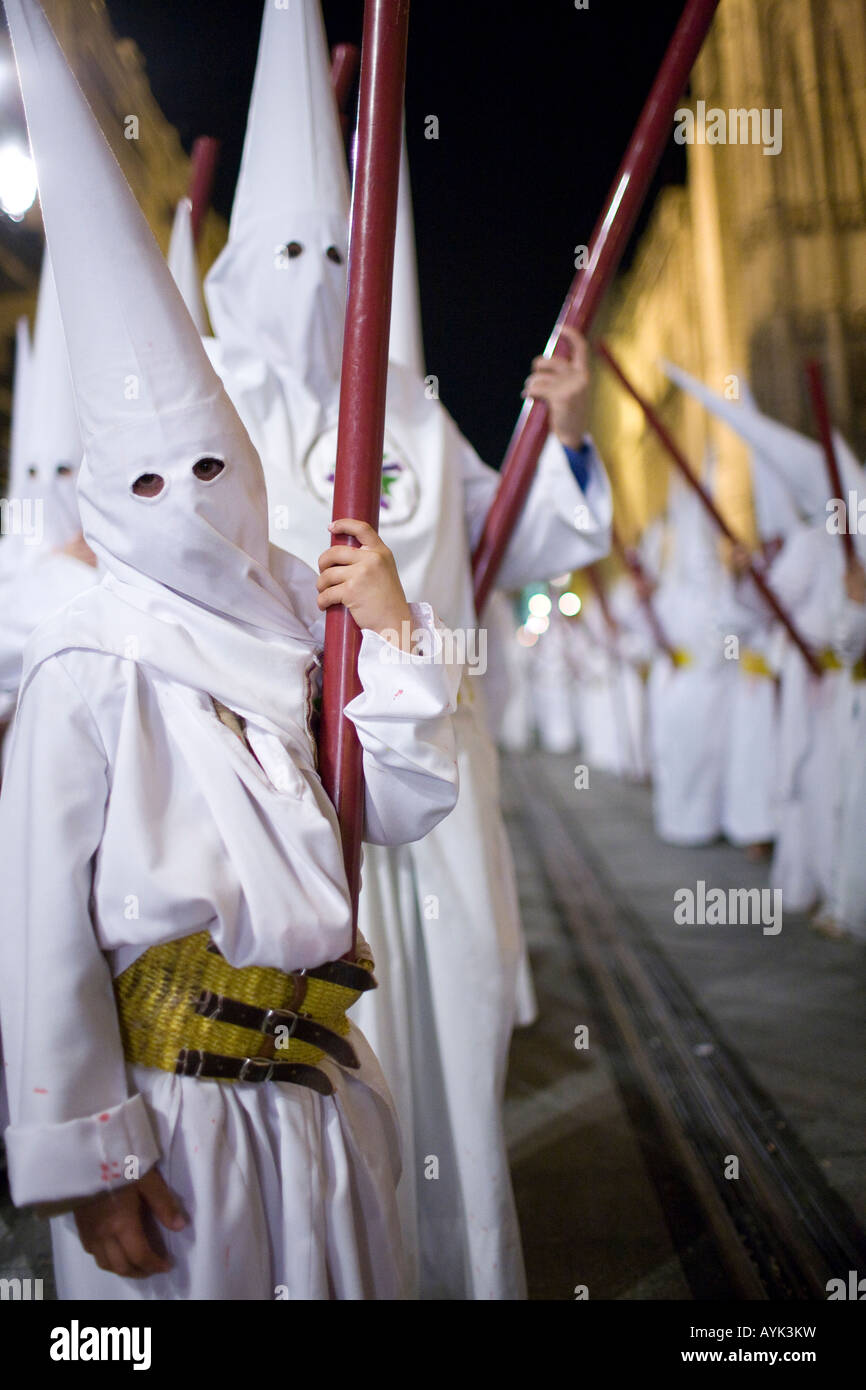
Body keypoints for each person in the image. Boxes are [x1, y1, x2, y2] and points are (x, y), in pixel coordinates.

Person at [0, 0, 461, 1300]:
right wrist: (86, 1152)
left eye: (211, 466)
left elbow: (402, 804)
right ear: (98, 498)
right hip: (176, 1127)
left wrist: (388, 637)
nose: (190, 500)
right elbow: (35, 923)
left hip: (316, 1107)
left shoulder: (281, 637)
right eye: (145, 482)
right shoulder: (90, 666)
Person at [204, 0, 613, 1299]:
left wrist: (568, 433)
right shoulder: (202, 425)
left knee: (436, 1078)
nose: (306, 279)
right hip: (277, 829)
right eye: (280, 252)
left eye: (331, 253)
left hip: (425, 816)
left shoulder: (420, 431)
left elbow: (522, 541)